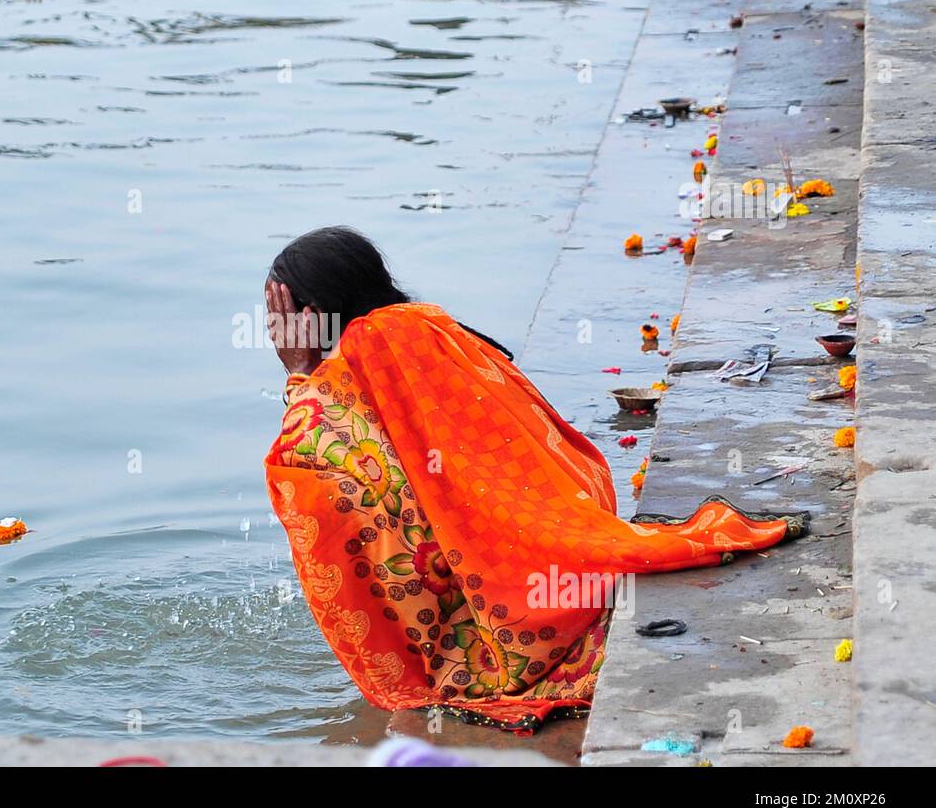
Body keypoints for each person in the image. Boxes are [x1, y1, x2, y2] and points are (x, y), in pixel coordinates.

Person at [263, 226, 806, 733]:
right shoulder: (425, 323)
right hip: (558, 513)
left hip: (513, 579)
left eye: (279, 316)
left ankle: (479, 642)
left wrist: (296, 374)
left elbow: (320, 464)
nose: (273, 331)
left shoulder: (361, 355)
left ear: (309, 315)